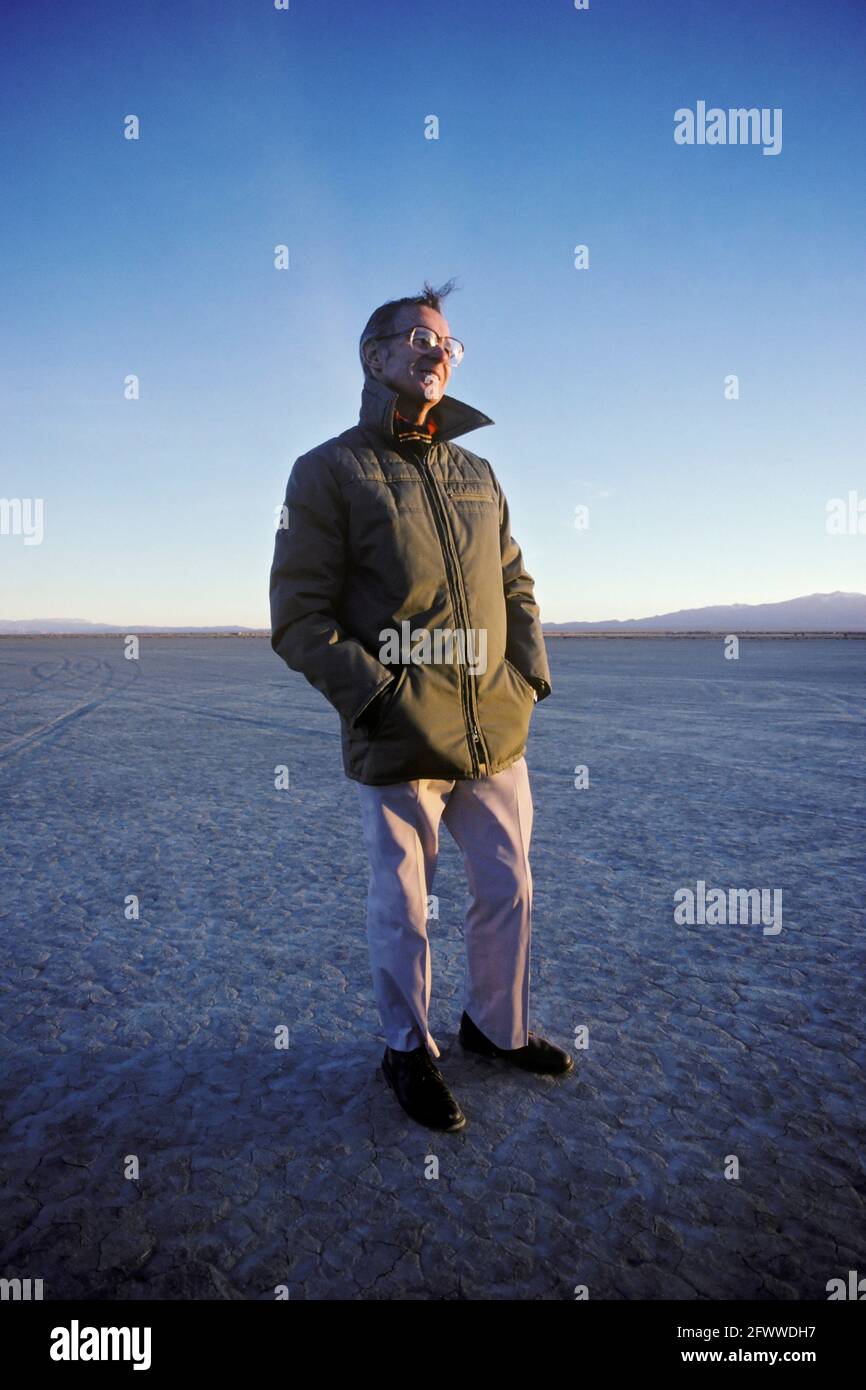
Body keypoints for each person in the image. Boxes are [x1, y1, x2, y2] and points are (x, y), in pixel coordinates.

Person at [269, 279, 573, 1132]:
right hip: (401, 732)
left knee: (508, 883)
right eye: (418, 338)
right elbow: (299, 617)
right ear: (376, 357)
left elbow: (515, 582)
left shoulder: (476, 472)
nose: (438, 351)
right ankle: (408, 1050)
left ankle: (495, 1029)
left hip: (493, 726)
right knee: (404, 903)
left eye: (448, 342)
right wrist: (381, 697)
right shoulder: (328, 471)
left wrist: (526, 678)